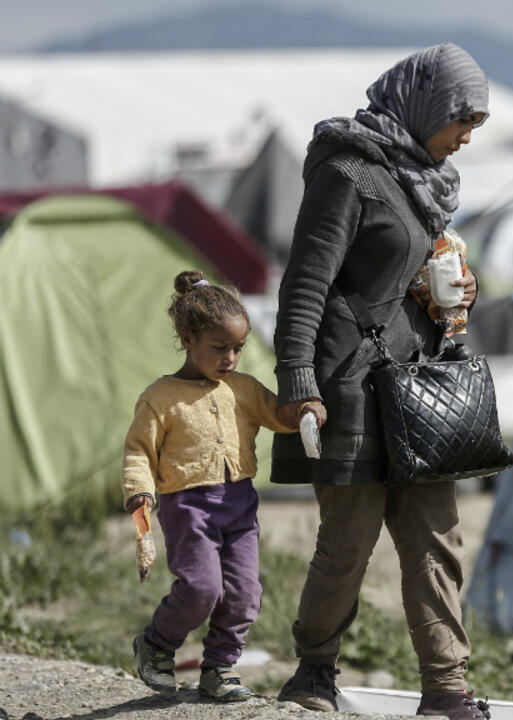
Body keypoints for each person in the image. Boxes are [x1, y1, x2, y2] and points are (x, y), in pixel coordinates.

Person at [270, 43, 492, 720]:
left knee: (436, 541)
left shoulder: (427, 180)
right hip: (349, 386)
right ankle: (314, 672)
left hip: (421, 389)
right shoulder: (349, 171)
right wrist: (297, 379)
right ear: (427, 105)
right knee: (348, 545)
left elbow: (404, 281)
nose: (463, 141)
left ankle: (446, 691)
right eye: (461, 123)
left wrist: (451, 297)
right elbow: (306, 284)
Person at [122, 271, 320, 702]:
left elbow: (278, 414)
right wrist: (140, 493)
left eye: (238, 349)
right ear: (187, 337)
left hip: (240, 506)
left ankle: (220, 668)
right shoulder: (161, 397)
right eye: (220, 348)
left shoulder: (244, 389)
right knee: (202, 588)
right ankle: (157, 643)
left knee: (246, 593)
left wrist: (305, 408)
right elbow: (139, 451)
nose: (230, 357)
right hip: (188, 508)